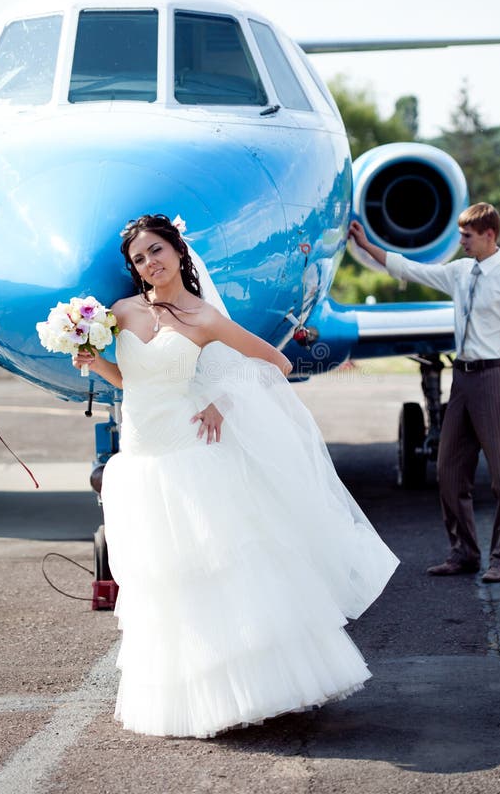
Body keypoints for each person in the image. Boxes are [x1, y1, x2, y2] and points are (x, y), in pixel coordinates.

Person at [74, 213, 399, 739]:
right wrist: (95, 363)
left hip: (188, 452)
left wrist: (222, 401)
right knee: (166, 581)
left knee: (219, 572)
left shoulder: (203, 317)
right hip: (139, 458)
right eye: (139, 258)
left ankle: (256, 690)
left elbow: (276, 363)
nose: (150, 263)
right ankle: (190, 697)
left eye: (156, 250)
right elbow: (131, 380)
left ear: (178, 251)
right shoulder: (123, 311)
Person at [349, 203, 500, 584]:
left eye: (467, 236)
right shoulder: (460, 272)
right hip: (462, 381)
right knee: (448, 471)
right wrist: (367, 245)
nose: (461, 242)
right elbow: (412, 269)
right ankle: (464, 553)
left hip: (494, 379)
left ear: (489, 235)